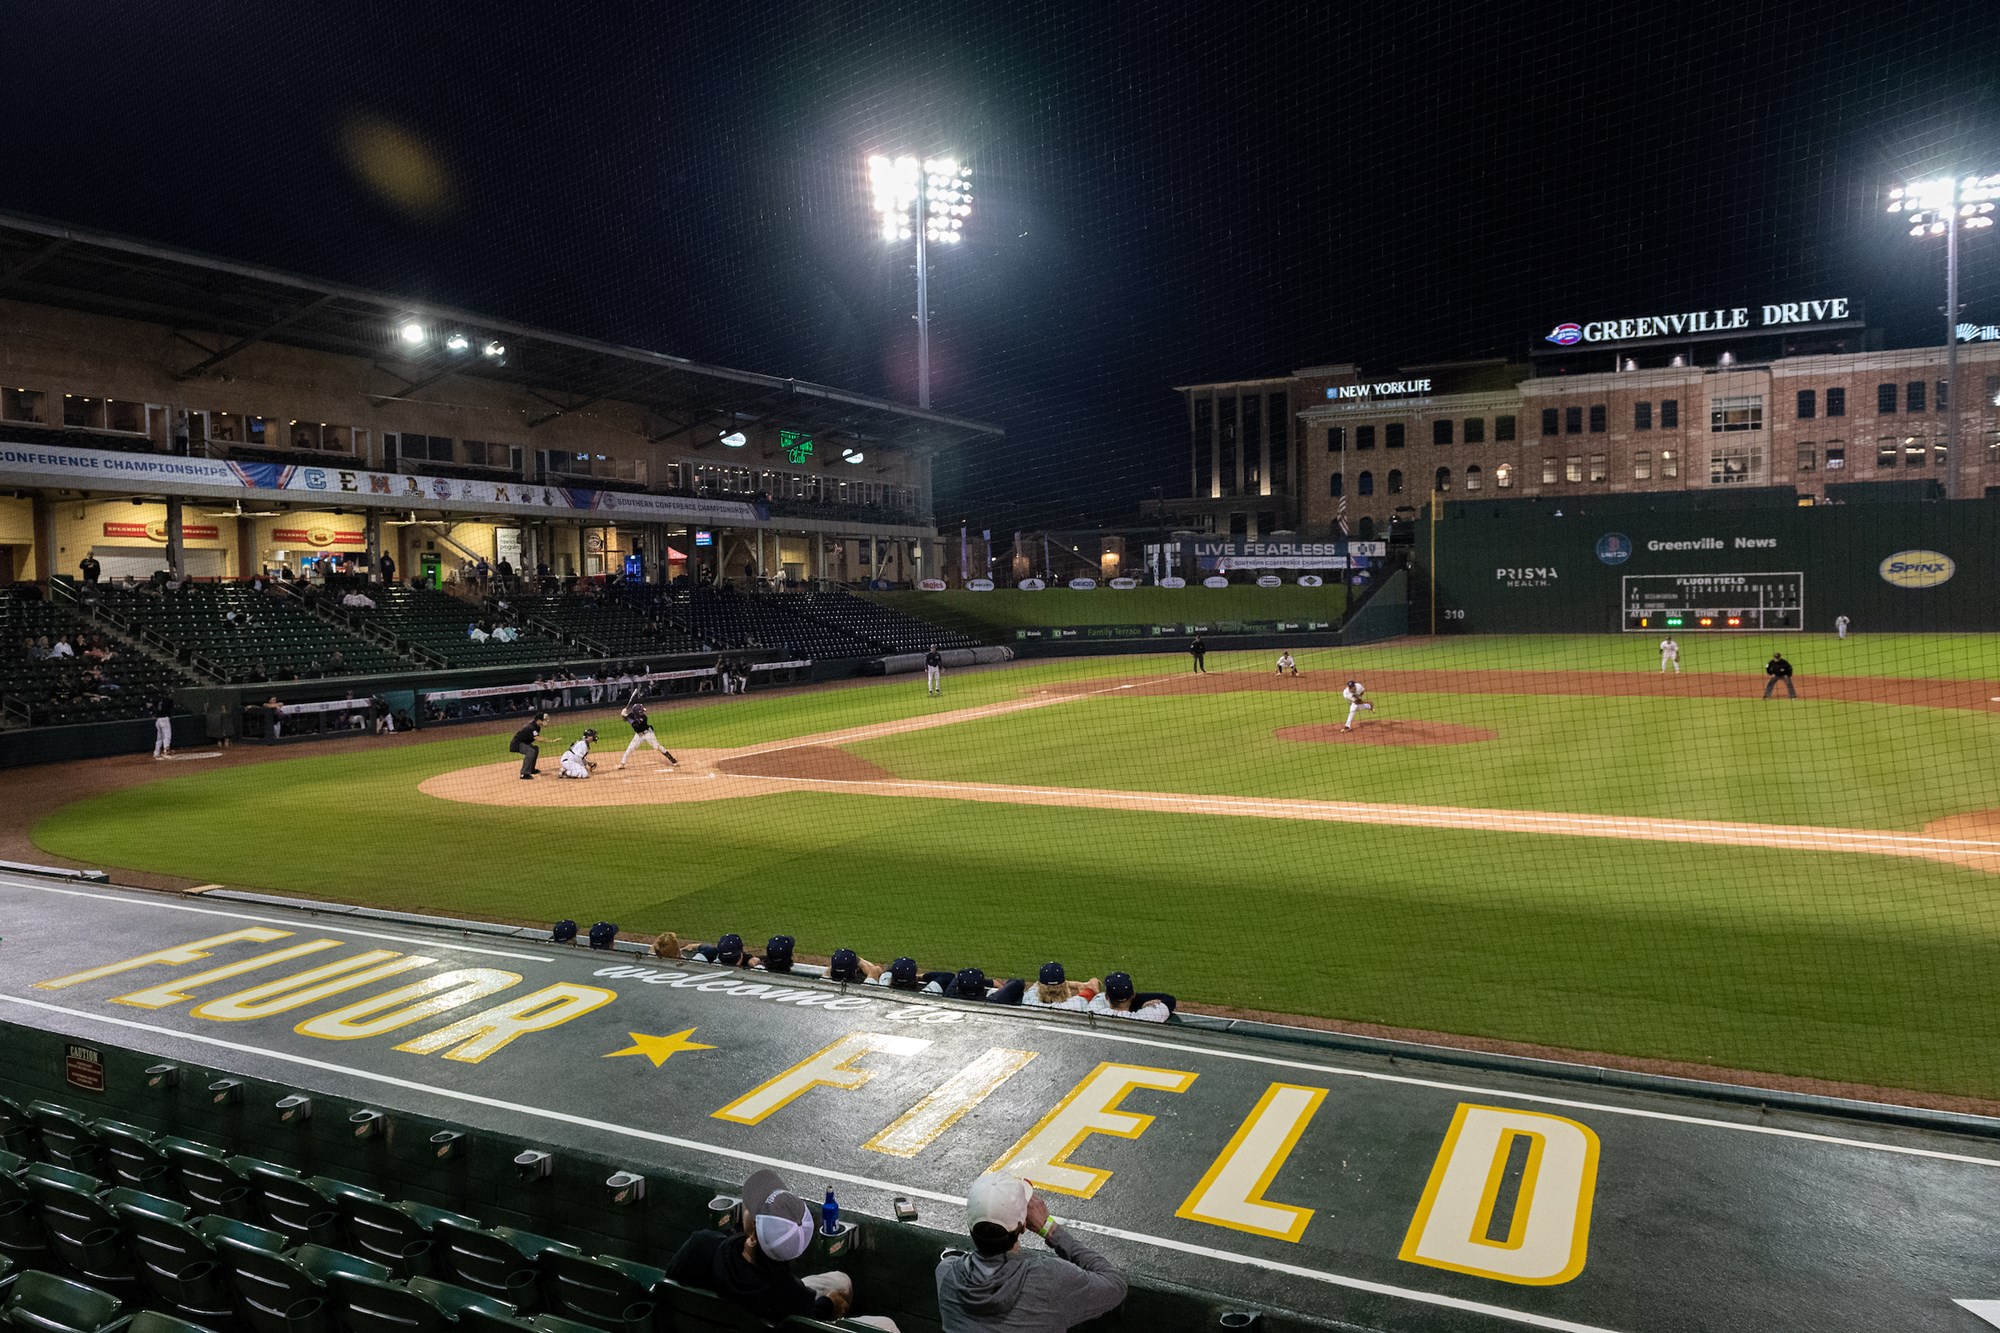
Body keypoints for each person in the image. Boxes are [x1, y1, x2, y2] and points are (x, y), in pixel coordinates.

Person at [666, 1168, 890, 1327]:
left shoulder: (702, 1245)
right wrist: (828, 1305)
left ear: (752, 1236)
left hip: (698, 1322)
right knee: (886, 1324)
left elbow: (669, 1280)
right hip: (767, 1314)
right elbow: (806, 1321)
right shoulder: (787, 1295)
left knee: (840, 1281)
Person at [935, 1173, 1126, 1333]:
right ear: (1024, 1225)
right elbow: (1115, 1285)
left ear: (970, 1225)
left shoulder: (947, 1274)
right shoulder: (1052, 1278)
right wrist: (1050, 1229)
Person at [1087, 972, 1174, 1023]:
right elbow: (1169, 1000)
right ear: (1133, 994)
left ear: (1107, 996)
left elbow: (1099, 996)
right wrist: (1141, 1006)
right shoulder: (1144, 1018)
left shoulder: (1094, 1010)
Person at [617, 698, 678, 769]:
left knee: (657, 747)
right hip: (638, 736)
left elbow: (635, 725)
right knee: (629, 749)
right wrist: (623, 715)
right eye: (641, 711)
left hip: (648, 734)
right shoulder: (632, 715)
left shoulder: (644, 718)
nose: (642, 712)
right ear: (636, 712)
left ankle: (673, 760)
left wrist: (626, 716)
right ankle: (622, 764)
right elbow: (626, 719)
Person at [1021, 962, 1099, 1011]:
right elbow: (1093, 986)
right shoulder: (1075, 1004)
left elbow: (1038, 985)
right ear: (1064, 986)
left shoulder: (1029, 1000)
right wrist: (1079, 985)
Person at [511, 712, 549, 780]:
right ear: (538, 720)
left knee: (535, 749)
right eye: (543, 720)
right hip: (517, 743)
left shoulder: (537, 726)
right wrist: (550, 740)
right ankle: (524, 773)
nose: (545, 721)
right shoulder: (531, 727)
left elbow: (535, 736)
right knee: (530, 751)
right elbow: (537, 738)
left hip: (524, 742)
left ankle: (531, 769)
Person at [151, 692, 174, 760]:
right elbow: (171, 705)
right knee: (167, 735)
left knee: (160, 737)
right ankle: (166, 750)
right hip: (165, 719)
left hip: (158, 720)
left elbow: (153, 705)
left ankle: (156, 753)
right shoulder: (168, 700)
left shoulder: (158, 700)